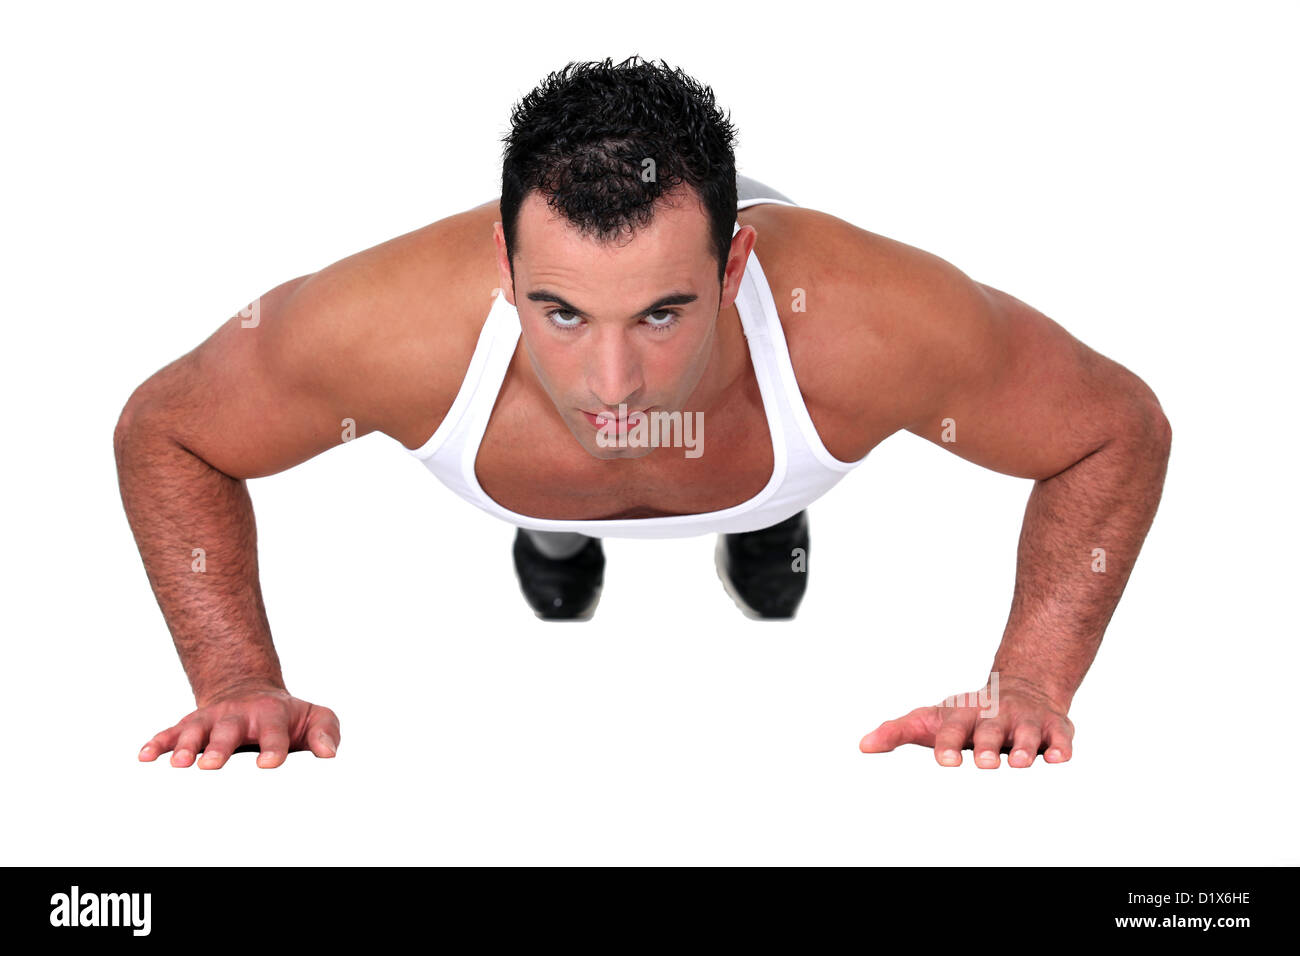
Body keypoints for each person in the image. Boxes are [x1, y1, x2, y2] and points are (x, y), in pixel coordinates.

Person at [114, 56, 1171, 772]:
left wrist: (1027, 680)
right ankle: (558, 527)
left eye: (664, 310)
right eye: (560, 310)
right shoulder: (376, 325)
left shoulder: (870, 324)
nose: (612, 382)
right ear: (503, 266)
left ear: (733, 265)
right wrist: (237, 675)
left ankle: (763, 510)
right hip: (538, 454)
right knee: (564, 508)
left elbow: (1112, 427)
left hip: (770, 427)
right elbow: (167, 428)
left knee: (746, 472)